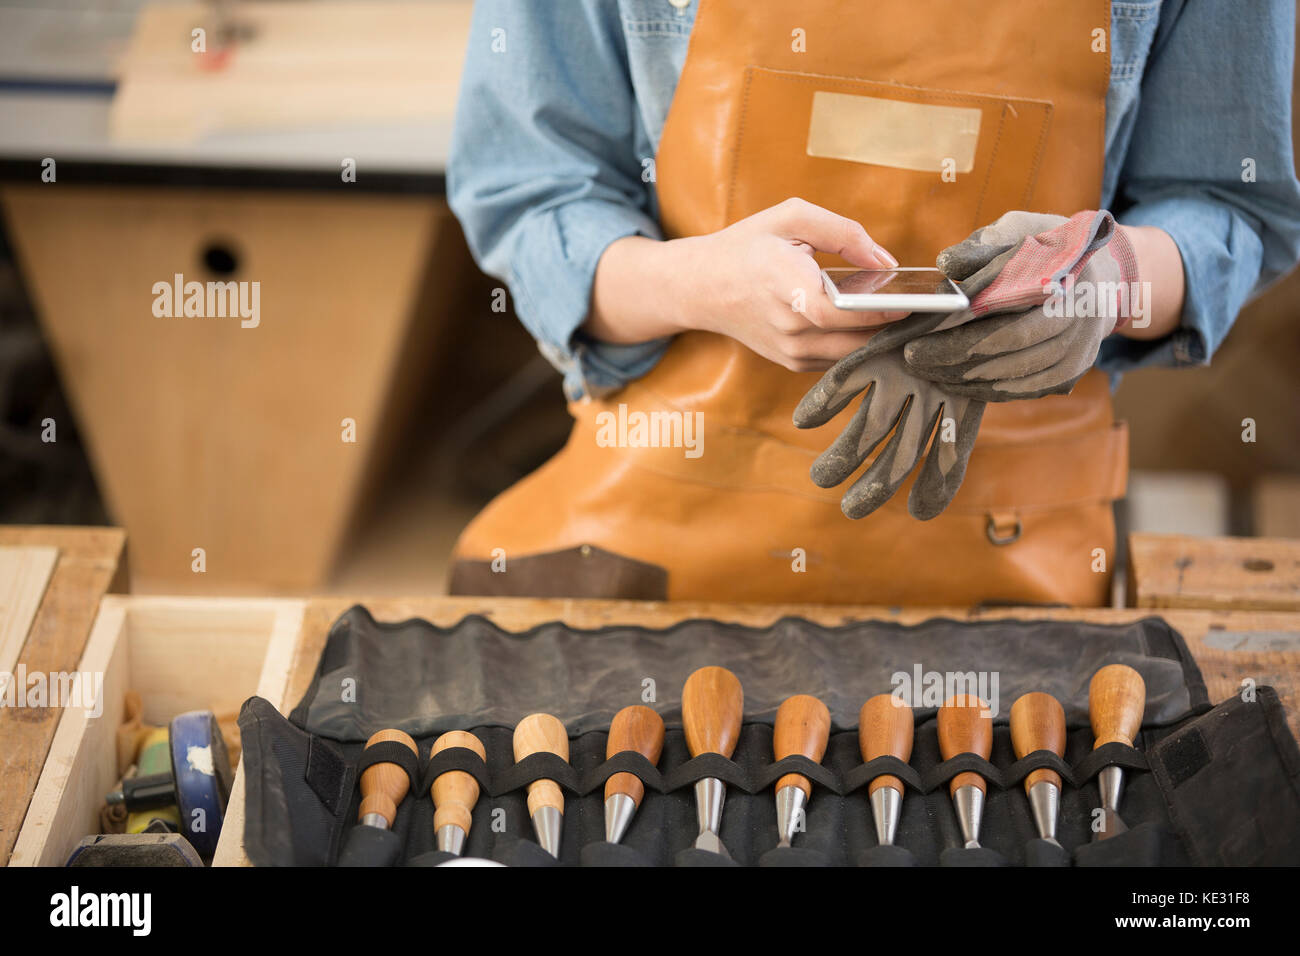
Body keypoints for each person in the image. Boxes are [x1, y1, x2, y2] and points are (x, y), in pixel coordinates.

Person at [445, 0, 1300, 606]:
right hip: (652, 535)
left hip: (1013, 570)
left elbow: (1234, 206)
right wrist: (698, 284)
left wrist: (1114, 280)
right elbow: (533, 190)